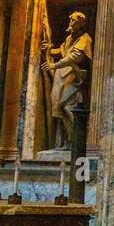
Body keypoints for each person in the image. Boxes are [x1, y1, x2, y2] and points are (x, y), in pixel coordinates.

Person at [42, 11, 92, 149]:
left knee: (69, 107)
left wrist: (55, 65)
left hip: (75, 76)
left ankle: (80, 140)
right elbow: (64, 51)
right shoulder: (70, 38)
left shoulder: (85, 39)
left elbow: (74, 57)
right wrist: (50, 50)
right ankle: (71, 140)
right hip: (63, 75)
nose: (71, 24)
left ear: (81, 23)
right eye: (71, 21)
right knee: (61, 107)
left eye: (74, 21)